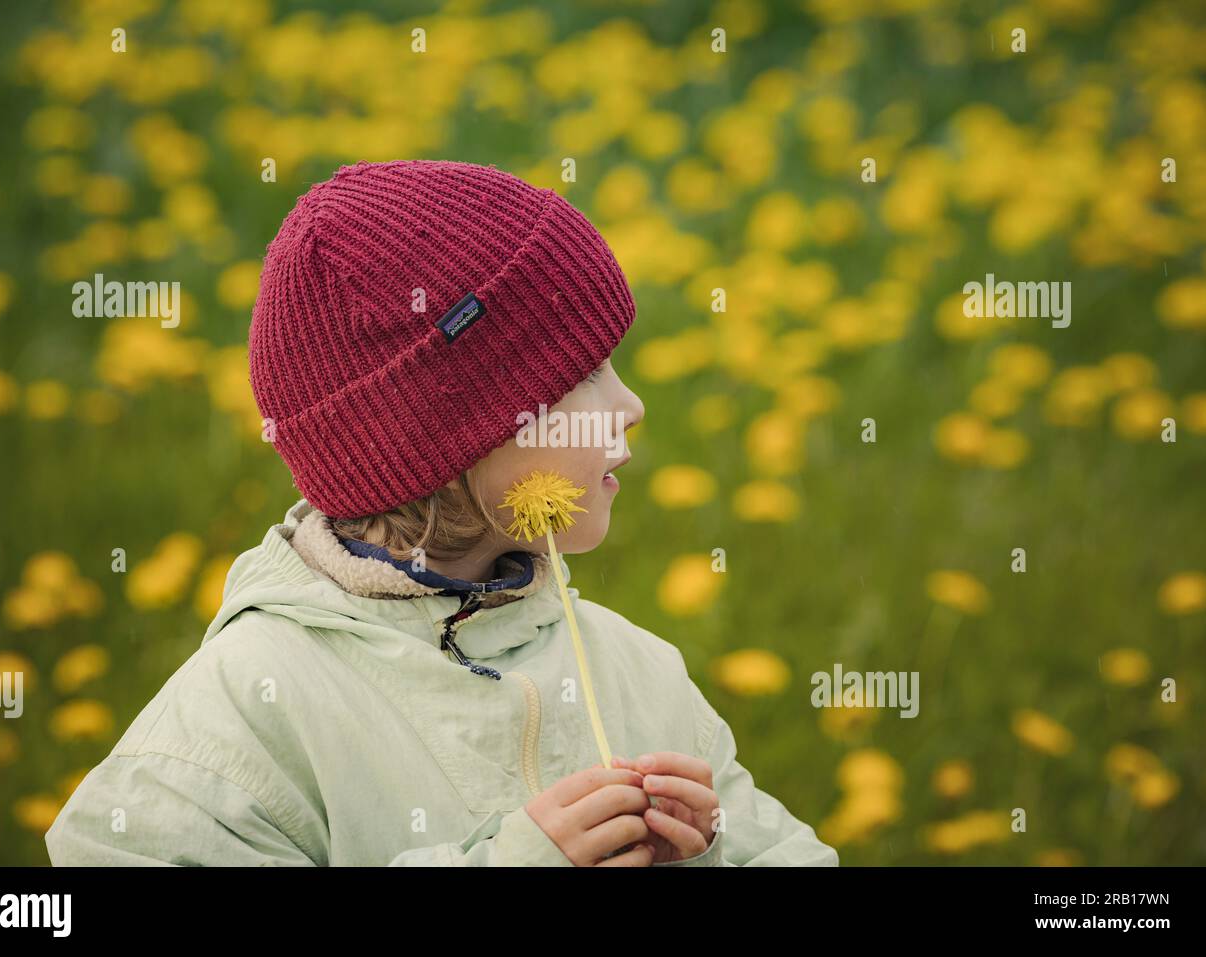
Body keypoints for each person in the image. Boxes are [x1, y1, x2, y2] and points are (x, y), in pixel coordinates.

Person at [45, 160, 839, 867]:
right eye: (585, 373)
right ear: (450, 437)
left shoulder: (634, 672)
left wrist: (713, 850)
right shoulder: (254, 708)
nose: (629, 404)